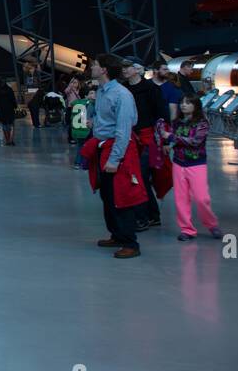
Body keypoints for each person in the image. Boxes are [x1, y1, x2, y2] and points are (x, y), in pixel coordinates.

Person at [87, 53, 141, 258]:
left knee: (122, 196)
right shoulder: (101, 91)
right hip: (102, 147)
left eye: (95, 65)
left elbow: (123, 130)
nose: (91, 67)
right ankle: (117, 234)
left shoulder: (121, 94)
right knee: (107, 195)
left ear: (104, 70)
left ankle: (131, 243)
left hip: (116, 150)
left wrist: (115, 158)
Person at [157, 95, 222, 243]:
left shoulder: (202, 123)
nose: (183, 105)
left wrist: (171, 137)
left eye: (188, 103)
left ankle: (211, 224)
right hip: (179, 163)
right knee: (181, 199)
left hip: (197, 164)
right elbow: (172, 139)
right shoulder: (177, 123)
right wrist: (168, 142)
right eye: (182, 102)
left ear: (195, 105)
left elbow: (195, 142)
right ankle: (187, 229)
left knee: (202, 198)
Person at [122, 60, 165, 231]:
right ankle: (152, 215)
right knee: (140, 177)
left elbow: (161, 114)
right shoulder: (124, 89)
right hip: (132, 138)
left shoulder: (152, 89)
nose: (125, 70)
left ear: (137, 70)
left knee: (141, 176)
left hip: (150, 139)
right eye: (123, 67)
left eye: (128, 67)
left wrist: (164, 140)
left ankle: (144, 217)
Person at [0, 78, 17, 145]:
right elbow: (13, 99)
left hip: (2, 110)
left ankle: (7, 140)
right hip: (10, 110)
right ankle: (11, 140)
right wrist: (15, 106)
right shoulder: (9, 89)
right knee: (11, 125)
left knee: (4, 125)